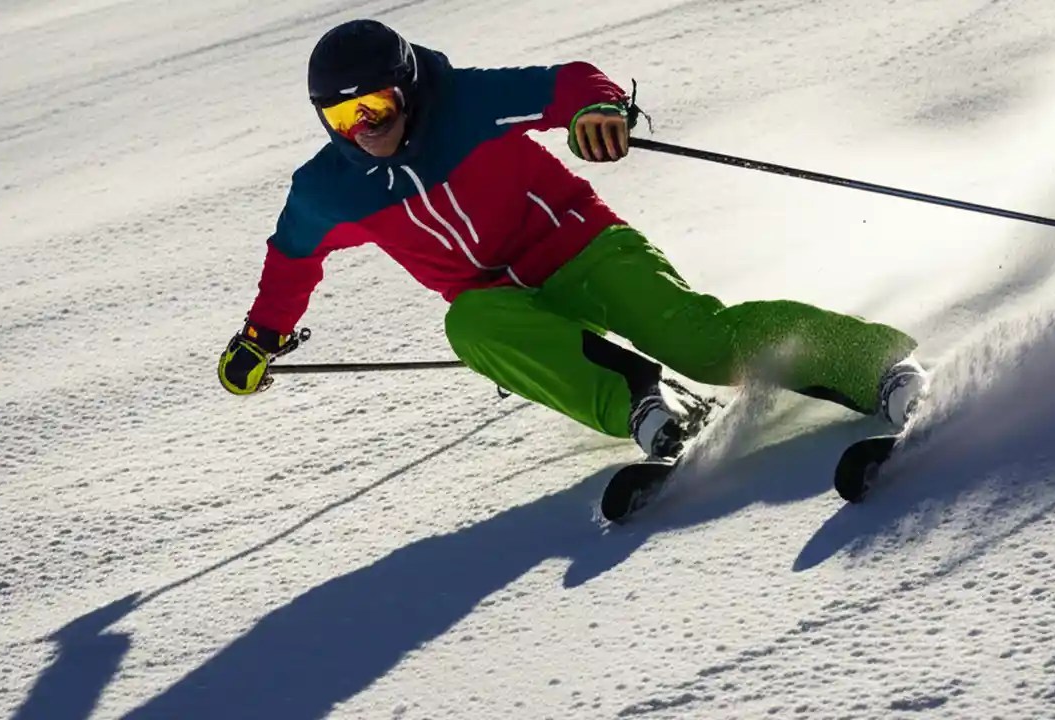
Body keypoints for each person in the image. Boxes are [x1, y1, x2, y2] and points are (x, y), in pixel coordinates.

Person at [218, 19, 928, 459]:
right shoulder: (328, 188)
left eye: (375, 105)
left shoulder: (467, 104)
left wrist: (597, 109)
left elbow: (570, 83)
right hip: (507, 303)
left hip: (584, 251)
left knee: (700, 343)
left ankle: (880, 370)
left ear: (408, 90)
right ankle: (648, 406)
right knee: (467, 322)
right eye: (343, 117)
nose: (364, 127)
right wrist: (260, 337)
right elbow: (291, 261)